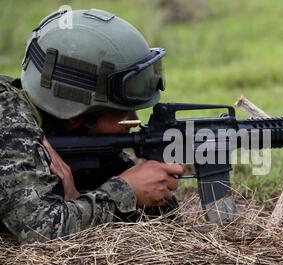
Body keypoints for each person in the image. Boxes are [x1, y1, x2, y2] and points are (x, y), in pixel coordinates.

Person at [0, 8, 183, 244]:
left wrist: (145, 191)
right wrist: (125, 192)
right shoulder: (9, 125)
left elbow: (161, 218)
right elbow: (41, 230)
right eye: (123, 110)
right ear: (78, 114)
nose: (133, 119)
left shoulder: (69, 134)